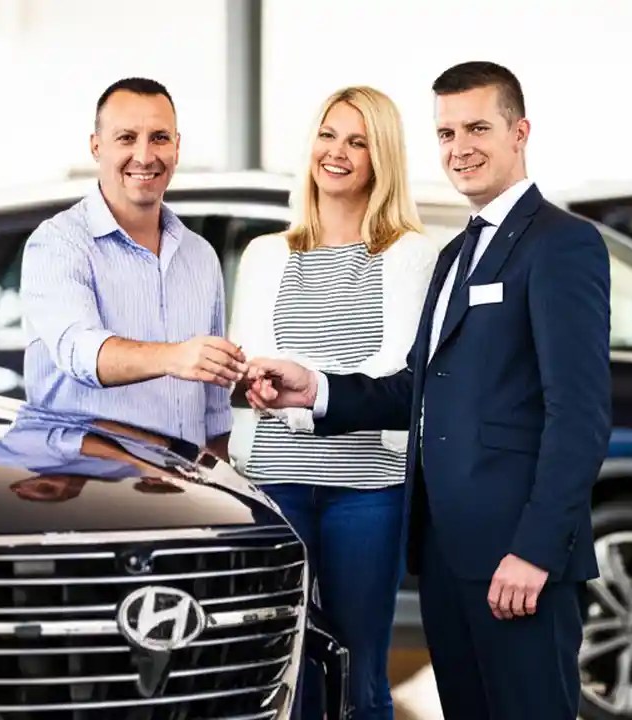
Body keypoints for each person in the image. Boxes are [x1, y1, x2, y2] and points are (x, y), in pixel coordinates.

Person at [244, 61, 611, 720]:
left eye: (477, 128)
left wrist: (535, 551)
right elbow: (416, 388)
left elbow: (579, 415)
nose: (460, 147)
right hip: (446, 558)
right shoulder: (456, 255)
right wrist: (316, 390)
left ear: (520, 132)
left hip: (515, 559)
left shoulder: (562, 244)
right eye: (446, 133)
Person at [228, 86, 437, 720]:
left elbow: (400, 382)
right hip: (273, 486)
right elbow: (247, 365)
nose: (336, 152)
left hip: (367, 490)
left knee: (359, 675)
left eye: (357, 141)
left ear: (382, 158)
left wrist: (301, 392)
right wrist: (253, 384)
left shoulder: (412, 255)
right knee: (279, 671)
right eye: (328, 134)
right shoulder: (266, 255)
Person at [19, 77, 243, 457]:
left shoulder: (200, 256)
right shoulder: (58, 243)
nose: (144, 155)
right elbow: (81, 352)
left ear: (177, 147)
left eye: (159, 138)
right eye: (126, 138)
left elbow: (215, 413)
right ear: (96, 146)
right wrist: (175, 357)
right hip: (95, 487)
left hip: (186, 485)